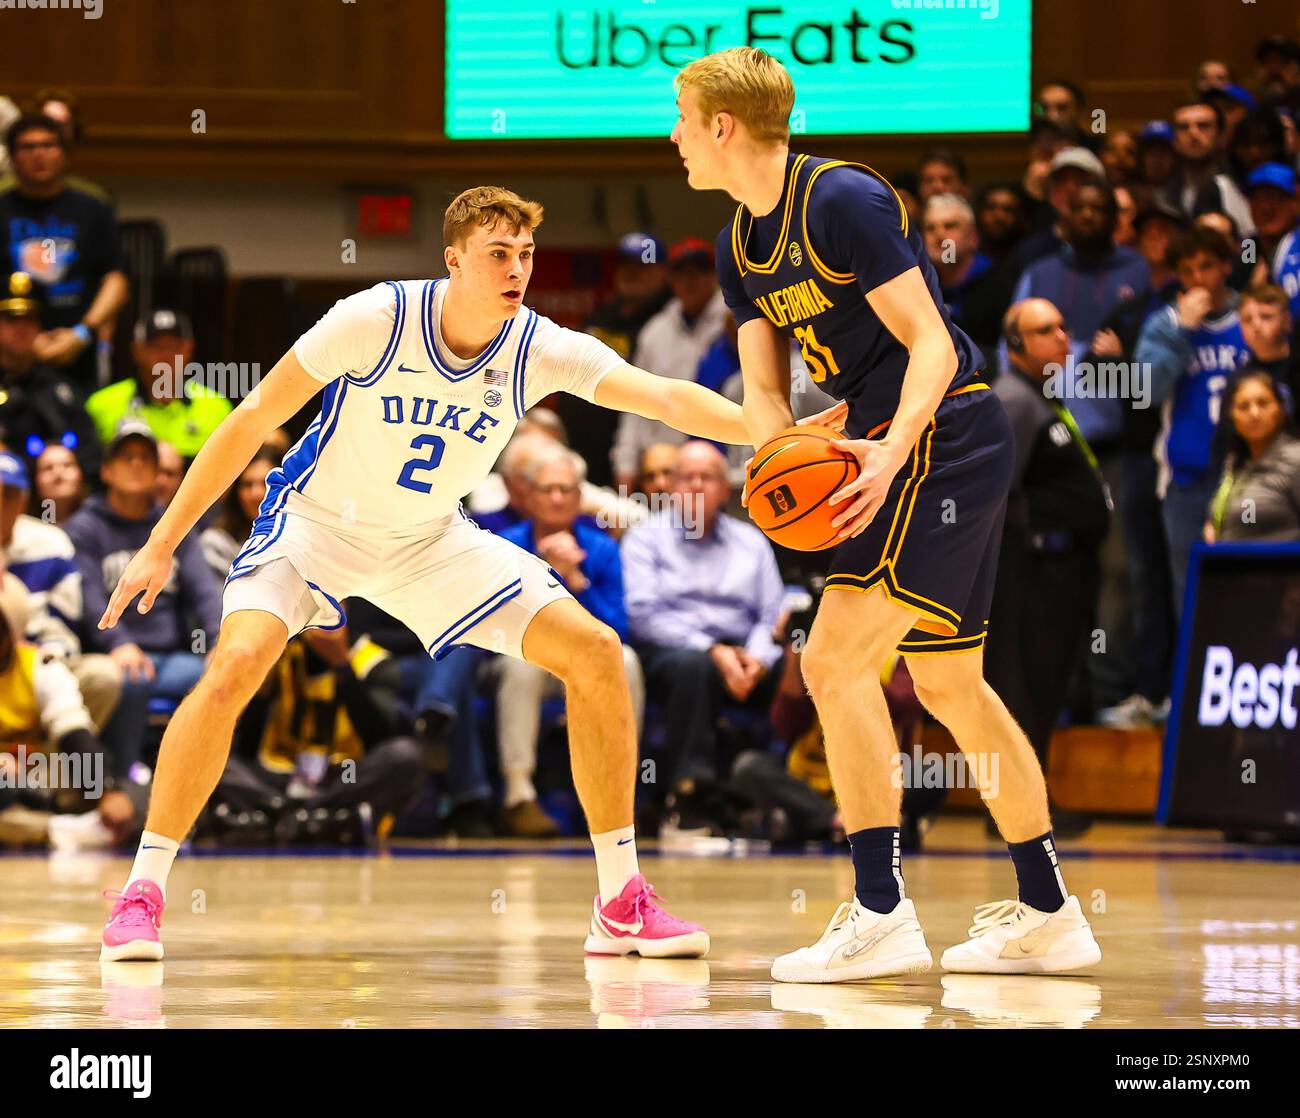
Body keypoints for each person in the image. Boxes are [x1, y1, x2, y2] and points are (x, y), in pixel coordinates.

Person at [94, 185, 838, 963]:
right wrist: (162, 540)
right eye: (497, 254)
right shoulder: (375, 318)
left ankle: (621, 900)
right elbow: (248, 421)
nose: (516, 269)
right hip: (313, 526)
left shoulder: (538, 344)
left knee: (595, 653)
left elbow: (662, 395)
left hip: (427, 539)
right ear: (453, 259)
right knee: (234, 665)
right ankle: (142, 892)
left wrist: (773, 424)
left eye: (525, 255)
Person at [672, 47, 1100, 981]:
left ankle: (878, 909)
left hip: (938, 433)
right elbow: (764, 404)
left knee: (829, 660)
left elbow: (932, 347)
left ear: (721, 126)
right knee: (950, 687)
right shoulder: (736, 246)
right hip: (880, 445)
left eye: (681, 116)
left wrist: (895, 442)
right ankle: (1049, 910)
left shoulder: (841, 201)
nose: (673, 137)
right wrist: (785, 448)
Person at [987, 301, 1111, 835]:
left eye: (1064, 326)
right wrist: (1028, 548)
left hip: (1065, 568)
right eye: (1045, 331)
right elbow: (996, 490)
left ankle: (1033, 806)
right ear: (1015, 345)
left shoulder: (1044, 397)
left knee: (1048, 687)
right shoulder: (1013, 399)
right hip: (1033, 574)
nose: (1063, 337)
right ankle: (1019, 814)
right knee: (1026, 690)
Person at [621, 441, 785, 831]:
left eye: (707, 478)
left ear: (725, 488)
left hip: (745, 650)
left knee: (804, 671)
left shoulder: (752, 541)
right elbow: (643, 615)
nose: (696, 486)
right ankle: (691, 796)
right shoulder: (645, 538)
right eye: (686, 478)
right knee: (692, 668)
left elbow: (772, 613)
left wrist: (758, 658)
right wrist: (713, 650)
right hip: (674, 651)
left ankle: (786, 792)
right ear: (671, 487)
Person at [495, 442, 642, 838]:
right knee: (518, 665)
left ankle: (621, 789)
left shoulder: (603, 549)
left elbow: (617, 630)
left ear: (580, 496)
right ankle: (518, 791)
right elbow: (495, 622)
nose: (558, 498)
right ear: (528, 495)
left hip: (583, 661)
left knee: (626, 660)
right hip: (525, 655)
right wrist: (547, 573)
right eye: (547, 489)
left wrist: (575, 581)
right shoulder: (503, 544)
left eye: (567, 489)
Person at [68, 423, 223, 780]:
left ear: (157, 473)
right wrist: (118, 643)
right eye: (127, 457)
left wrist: (219, 641)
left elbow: (204, 589)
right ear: (106, 470)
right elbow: (88, 597)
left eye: (146, 459)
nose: (137, 465)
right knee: (132, 678)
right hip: (114, 655)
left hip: (173, 657)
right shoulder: (85, 528)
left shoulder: (175, 526)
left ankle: (204, 780)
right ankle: (124, 781)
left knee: (224, 676)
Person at [1136, 227, 1251, 614]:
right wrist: (1182, 331)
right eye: (1187, 271)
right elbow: (1145, 392)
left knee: (1251, 588)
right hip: (1187, 480)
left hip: (1248, 476)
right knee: (1191, 597)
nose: (1198, 279)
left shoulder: (1252, 317)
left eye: (1207, 267)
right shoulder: (1164, 324)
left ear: (1225, 266)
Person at [0, 114, 128, 389]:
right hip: (7, 361)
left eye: (48, 145)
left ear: (64, 153)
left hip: (76, 354)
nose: (39, 155)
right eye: (28, 147)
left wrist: (82, 333)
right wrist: (19, 342)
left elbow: (115, 280)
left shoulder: (93, 209)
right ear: (11, 156)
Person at [1, 449, 121, 731]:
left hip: (41, 659)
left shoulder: (51, 543)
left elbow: (63, 630)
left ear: (23, 500)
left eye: (9, 494)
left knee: (104, 676)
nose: (0, 503)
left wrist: (35, 661)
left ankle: (53, 770)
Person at [610, 237, 729, 489]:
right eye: (681, 273)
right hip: (662, 465)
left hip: (723, 463)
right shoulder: (655, 331)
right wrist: (626, 464)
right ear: (670, 279)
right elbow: (632, 402)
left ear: (714, 274)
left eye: (699, 271)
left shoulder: (737, 322)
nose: (690, 280)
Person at [557, 232, 670, 488]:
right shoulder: (602, 314)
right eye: (626, 265)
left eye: (642, 266)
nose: (632, 273)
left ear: (662, 272)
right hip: (581, 448)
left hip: (632, 458)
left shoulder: (666, 323)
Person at [86, 308, 233, 459]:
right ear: (137, 350)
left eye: (175, 346)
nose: (167, 355)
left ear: (189, 348)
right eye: (157, 346)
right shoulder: (102, 404)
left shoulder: (217, 407)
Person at [0, 271, 100, 476]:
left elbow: (90, 462)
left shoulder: (61, 391)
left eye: (29, 319)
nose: (21, 328)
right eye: (11, 319)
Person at [1207, 370, 1300, 542]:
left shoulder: (1296, 459)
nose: (1254, 413)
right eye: (1243, 407)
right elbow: (1243, 519)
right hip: (1231, 566)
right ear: (1231, 416)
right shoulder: (1235, 464)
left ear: (1280, 409)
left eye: (1263, 403)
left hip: (1281, 567)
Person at [200, 446, 279, 579]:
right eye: (248, 485)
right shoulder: (216, 543)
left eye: (266, 483)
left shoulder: (304, 533)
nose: (256, 494)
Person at [1239, 283, 1299, 404]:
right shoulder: (1239, 381)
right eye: (1247, 320)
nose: (1256, 326)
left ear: (1287, 321)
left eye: (1266, 317)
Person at [30, 442, 86, 525]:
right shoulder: (25, 527)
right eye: (48, 467)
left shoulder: (100, 520)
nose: (58, 472)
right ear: (36, 479)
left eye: (67, 465)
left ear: (80, 474)